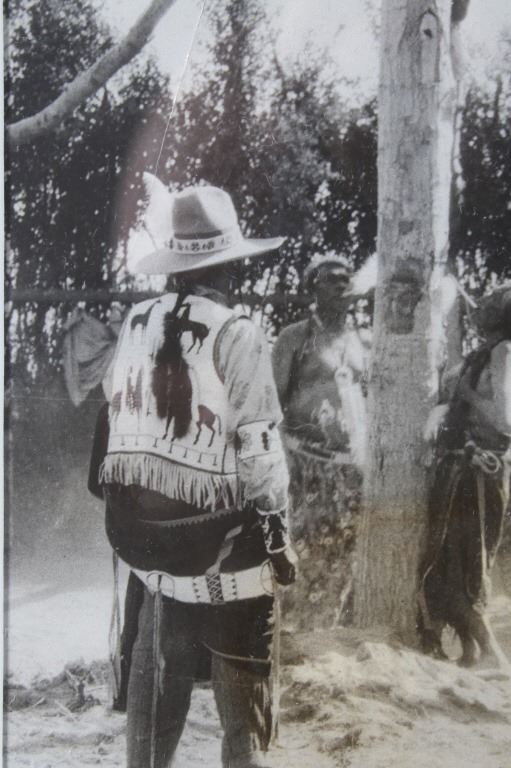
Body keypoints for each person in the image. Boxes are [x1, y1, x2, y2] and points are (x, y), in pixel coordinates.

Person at [94, 184, 297, 768]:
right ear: (231, 264)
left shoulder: (136, 322)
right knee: (243, 723)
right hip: (224, 549)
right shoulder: (238, 332)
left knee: (156, 712)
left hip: (149, 547)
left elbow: (112, 415)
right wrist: (279, 538)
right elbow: (260, 450)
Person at [271, 254, 370, 630]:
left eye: (347, 277)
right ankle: (294, 632)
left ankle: (328, 632)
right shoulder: (294, 338)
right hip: (304, 463)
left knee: (345, 551)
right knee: (303, 547)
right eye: (331, 278)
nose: (343, 283)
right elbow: (272, 402)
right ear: (311, 286)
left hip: (350, 467)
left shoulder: (363, 340)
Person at [421, 283, 511, 667]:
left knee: (466, 566)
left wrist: (466, 396)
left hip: (479, 474)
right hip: (462, 471)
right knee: (450, 562)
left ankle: (491, 652)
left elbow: (505, 421)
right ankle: (471, 650)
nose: (484, 299)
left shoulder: (504, 352)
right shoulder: (482, 354)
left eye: (495, 297)